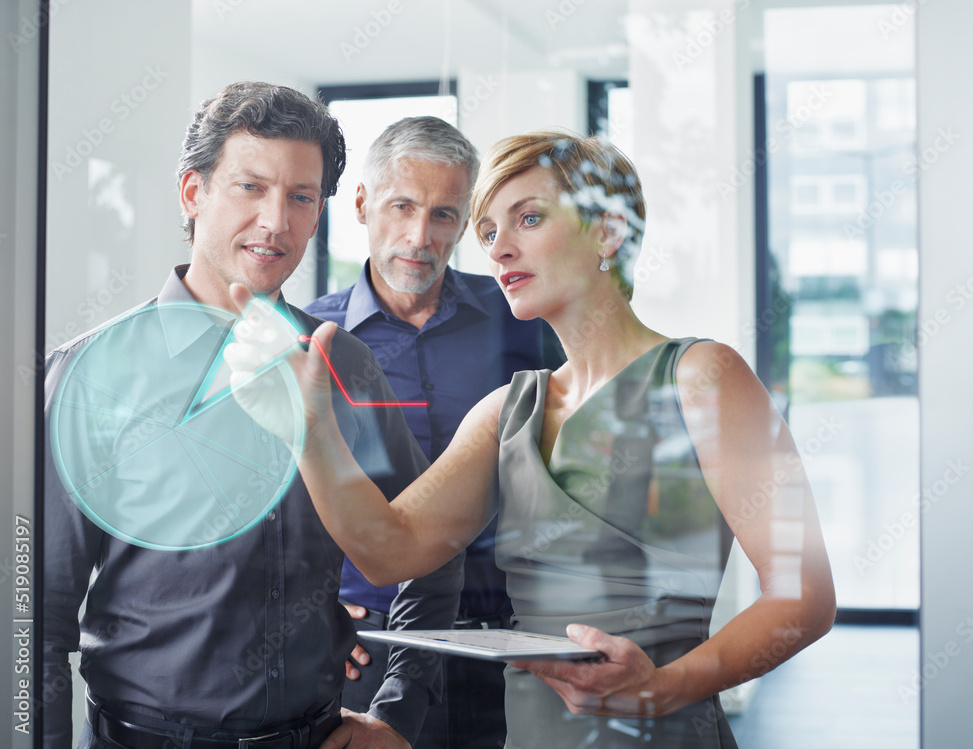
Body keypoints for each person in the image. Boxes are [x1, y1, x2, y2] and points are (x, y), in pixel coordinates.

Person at [226, 130, 837, 747]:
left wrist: (661, 688)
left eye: (530, 218)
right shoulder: (508, 410)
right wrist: (310, 431)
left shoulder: (704, 377)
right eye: (489, 230)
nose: (499, 249)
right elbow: (390, 551)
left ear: (608, 231)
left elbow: (805, 597)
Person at [42, 81, 462, 749]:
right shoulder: (90, 375)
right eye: (250, 188)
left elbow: (432, 546)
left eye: (301, 197)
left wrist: (398, 711)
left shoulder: (346, 366)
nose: (275, 221)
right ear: (193, 193)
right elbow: (36, 615)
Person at [305, 116, 560, 749]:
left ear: (465, 222)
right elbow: (281, 500)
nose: (420, 237)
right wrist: (308, 613)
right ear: (361, 205)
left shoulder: (521, 321)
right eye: (402, 206)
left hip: (504, 641)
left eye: (444, 214)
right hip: (367, 645)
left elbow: (568, 464)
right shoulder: (312, 340)